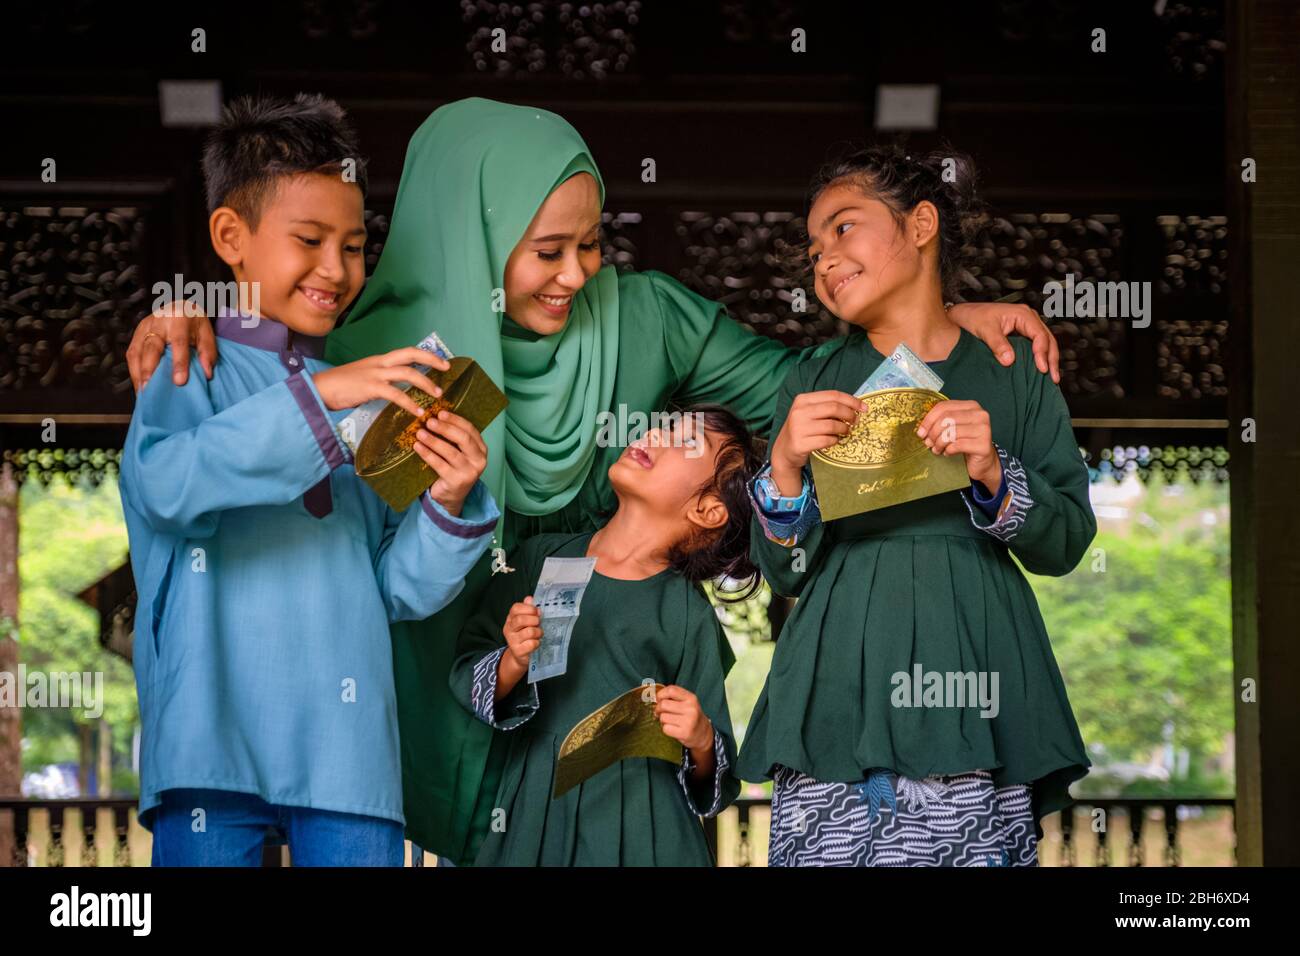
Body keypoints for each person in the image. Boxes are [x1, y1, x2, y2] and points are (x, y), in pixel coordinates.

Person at [125, 97, 1064, 865]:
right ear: (473, 231)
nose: (578, 274)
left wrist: (925, 313)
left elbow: (807, 393)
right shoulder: (375, 346)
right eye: (546, 251)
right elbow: (262, 365)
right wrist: (187, 313)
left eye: (591, 243)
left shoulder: (646, 317)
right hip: (446, 657)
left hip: (601, 649)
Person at [120, 94, 499, 866]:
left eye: (355, 245)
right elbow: (165, 486)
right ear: (231, 235)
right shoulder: (194, 363)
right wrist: (323, 398)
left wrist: (448, 502)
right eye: (310, 239)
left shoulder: (365, 388)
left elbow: (393, 588)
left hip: (348, 754)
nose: (337, 269)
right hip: (209, 743)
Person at [736, 144, 1094, 866]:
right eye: (812, 250)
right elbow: (784, 572)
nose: (824, 259)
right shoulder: (810, 379)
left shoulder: (1011, 370)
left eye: (843, 228)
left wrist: (993, 472)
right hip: (834, 679)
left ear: (921, 223)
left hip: (974, 665)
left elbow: (1065, 543)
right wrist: (783, 467)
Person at [450, 405, 758, 865]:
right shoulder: (540, 560)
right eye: (664, 425)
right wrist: (513, 660)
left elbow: (715, 780)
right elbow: (466, 667)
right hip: (535, 811)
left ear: (708, 510)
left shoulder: (688, 613)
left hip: (644, 824)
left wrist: (698, 737)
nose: (656, 434)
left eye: (687, 440)